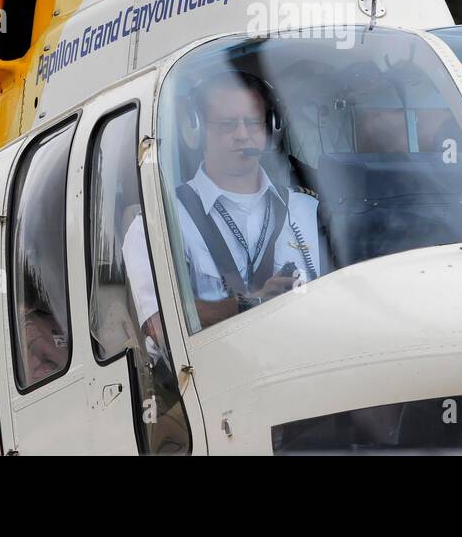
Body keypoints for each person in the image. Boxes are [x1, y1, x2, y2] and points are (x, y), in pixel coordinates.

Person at [122, 70, 323, 342]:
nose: (242, 135)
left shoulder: (307, 209)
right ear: (195, 131)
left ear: (270, 128)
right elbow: (161, 326)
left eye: (253, 123)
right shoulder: (158, 225)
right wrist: (251, 304)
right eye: (227, 125)